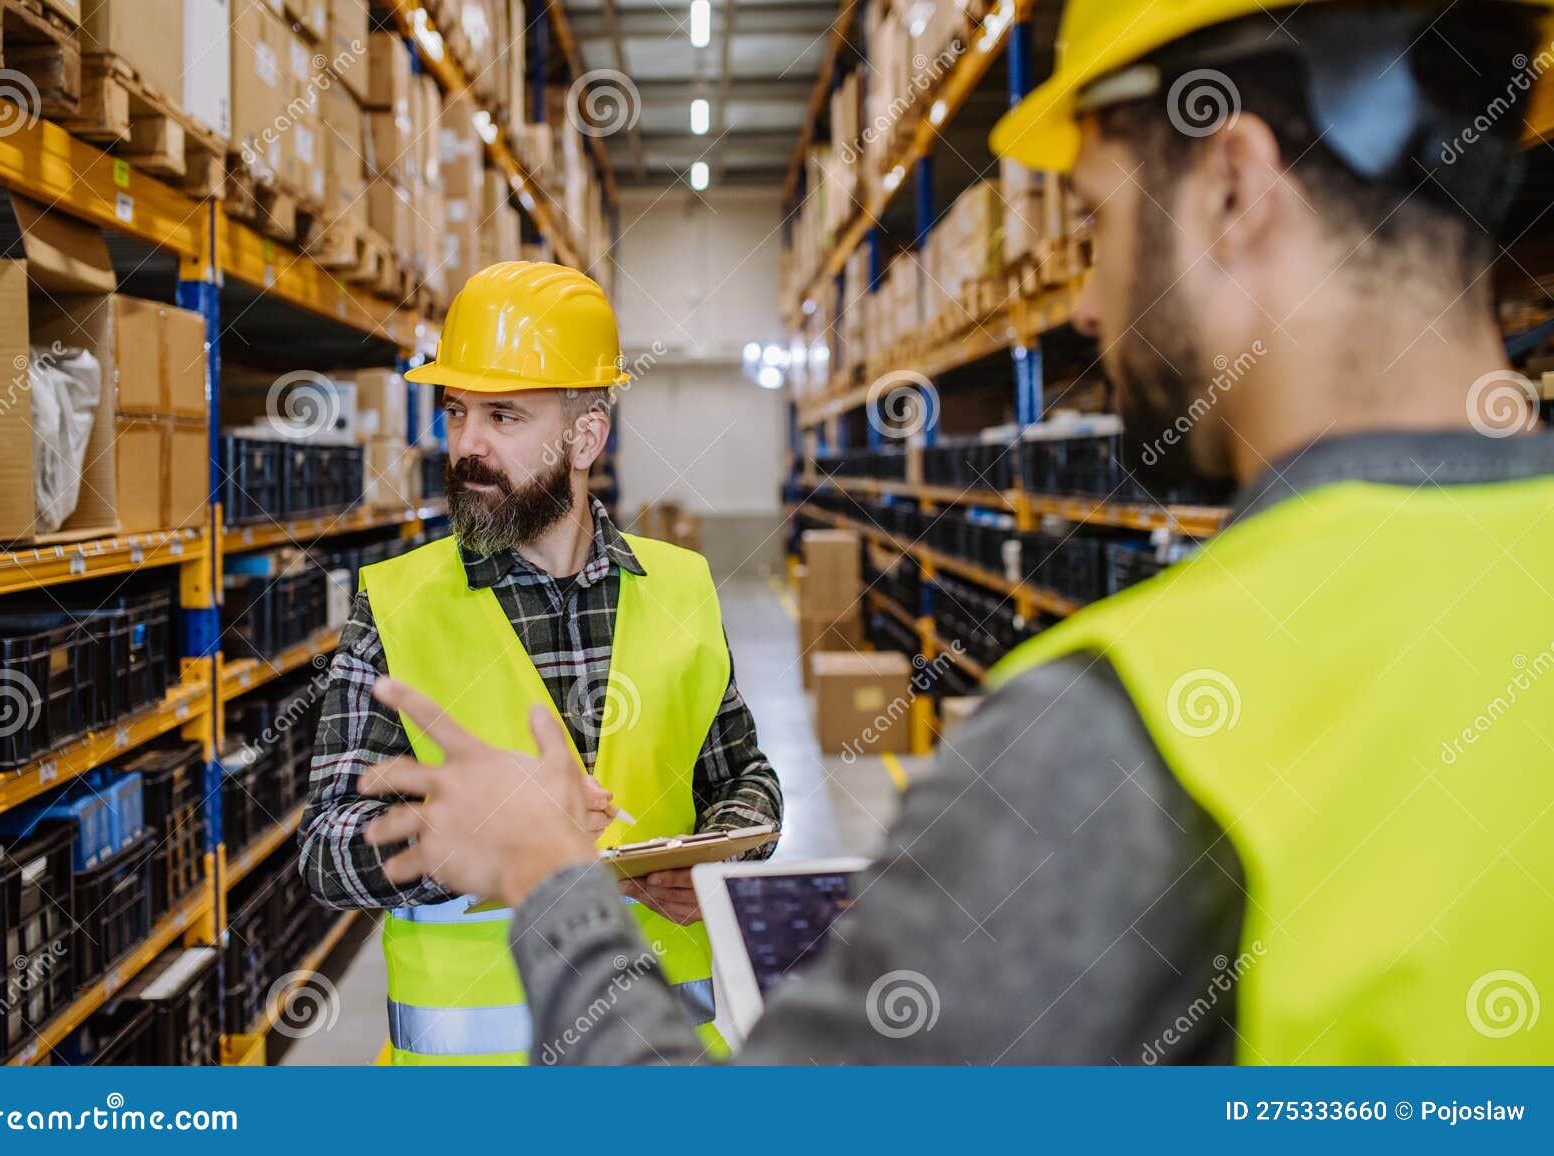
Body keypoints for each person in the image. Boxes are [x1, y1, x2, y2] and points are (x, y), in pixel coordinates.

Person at [352, 0, 1554, 1064]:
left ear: (1232, 186)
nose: (1090, 302)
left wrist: (553, 881)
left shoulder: (1125, 730)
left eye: (1095, 219)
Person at [297, 260, 783, 1064]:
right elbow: (325, 848)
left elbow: (746, 780)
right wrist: (464, 840)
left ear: (585, 436)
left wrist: (720, 853)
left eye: (504, 416)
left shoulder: (682, 589)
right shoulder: (396, 605)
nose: (467, 445)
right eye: (457, 413)